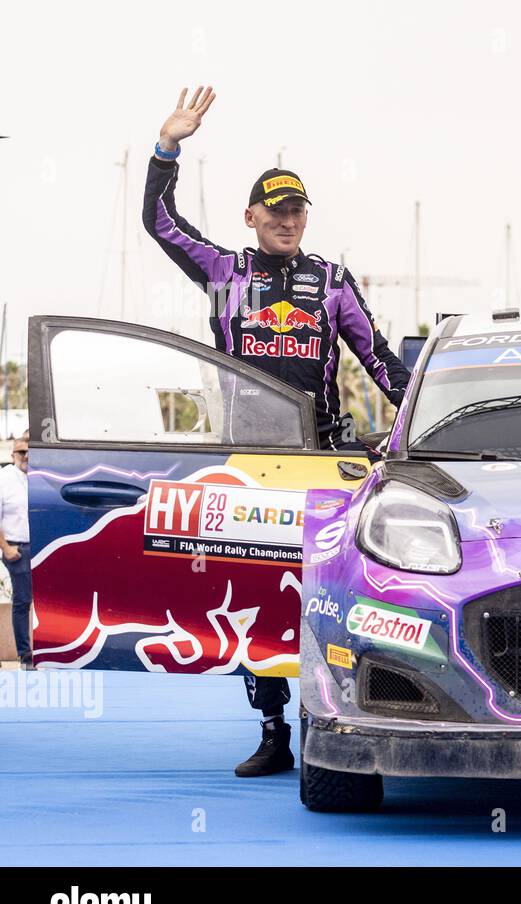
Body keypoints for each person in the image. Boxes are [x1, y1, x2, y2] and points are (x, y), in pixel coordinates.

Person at [143, 87, 411, 777]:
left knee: (327, 588)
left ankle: (335, 712)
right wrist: (167, 148)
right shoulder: (225, 270)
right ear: (252, 216)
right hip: (250, 461)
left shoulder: (333, 280)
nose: (288, 220)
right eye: (276, 210)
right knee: (254, 593)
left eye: (297, 210)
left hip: (319, 458)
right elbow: (160, 222)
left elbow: (379, 359)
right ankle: (272, 730)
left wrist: (424, 415)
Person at [0, 432, 30, 669]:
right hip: (17, 549)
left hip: (43, 548)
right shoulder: (5, 479)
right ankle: (25, 656)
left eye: (30, 452)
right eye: (22, 452)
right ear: (13, 455)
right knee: (22, 602)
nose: (26, 456)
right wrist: (6, 548)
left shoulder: (41, 477)